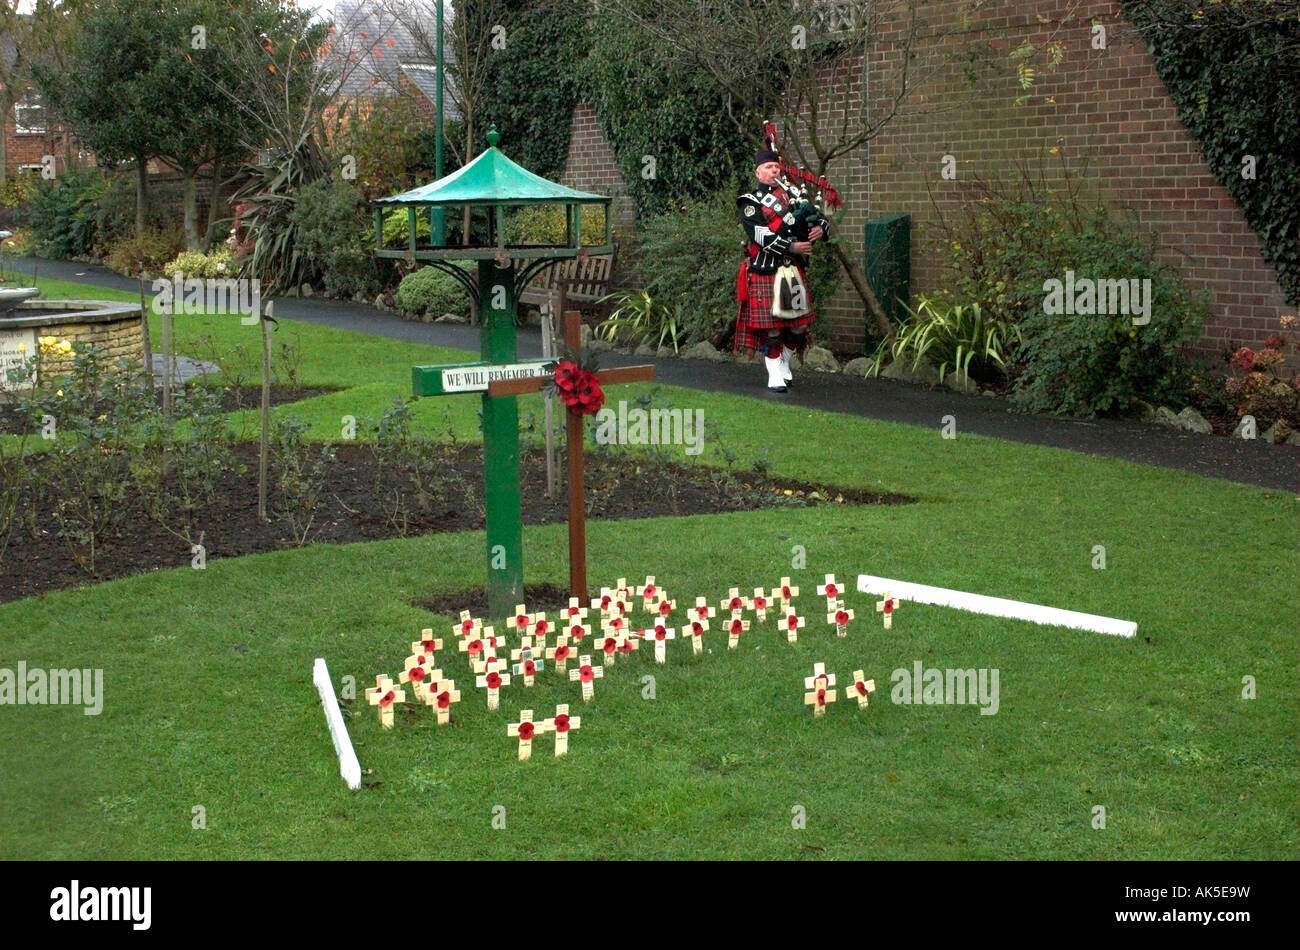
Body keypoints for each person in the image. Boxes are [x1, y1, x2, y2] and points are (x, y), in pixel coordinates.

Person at [734, 147, 830, 392]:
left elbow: (814, 218)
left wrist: (821, 228)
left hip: (792, 269)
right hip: (766, 269)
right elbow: (760, 235)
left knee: (798, 325)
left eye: (776, 166)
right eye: (768, 167)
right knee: (773, 327)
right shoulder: (750, 202)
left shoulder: (793, 196)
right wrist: (791, 247)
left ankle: (784, 359)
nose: (773, 170)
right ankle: (774, 370)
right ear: (758, 172)